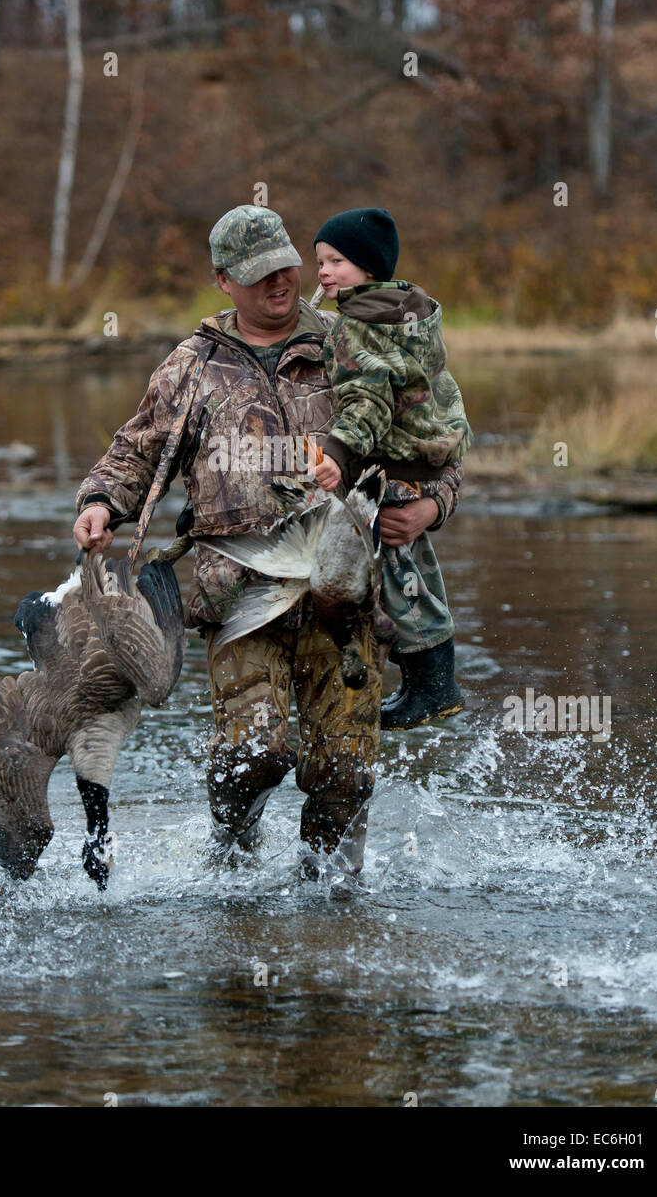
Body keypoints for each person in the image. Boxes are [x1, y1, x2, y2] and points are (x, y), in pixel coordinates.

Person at [72, 205, 463, 873]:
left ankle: (328, 901)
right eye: (257, 275)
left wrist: (430, 508)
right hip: (239, 604)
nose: (278, 282)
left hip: (346, 601)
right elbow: (134, 452)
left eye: (285, 265)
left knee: (345, 771)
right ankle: (232, 859)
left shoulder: (358, 341)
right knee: (249, 754)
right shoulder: (191, 368)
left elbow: (439, 445)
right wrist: (103, 503)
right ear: (224, 282)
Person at [313, 207, 471, 729]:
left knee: (403, 576)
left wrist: (336, 453)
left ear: (369, 267)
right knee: (416, 572)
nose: (323, 272)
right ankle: (429, 680)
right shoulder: (413, 312)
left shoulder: (356, 326)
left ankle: (431, 687)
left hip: (396, 468)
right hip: (427, 458)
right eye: (320, 262)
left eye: (336, 260)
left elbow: (368, 402)